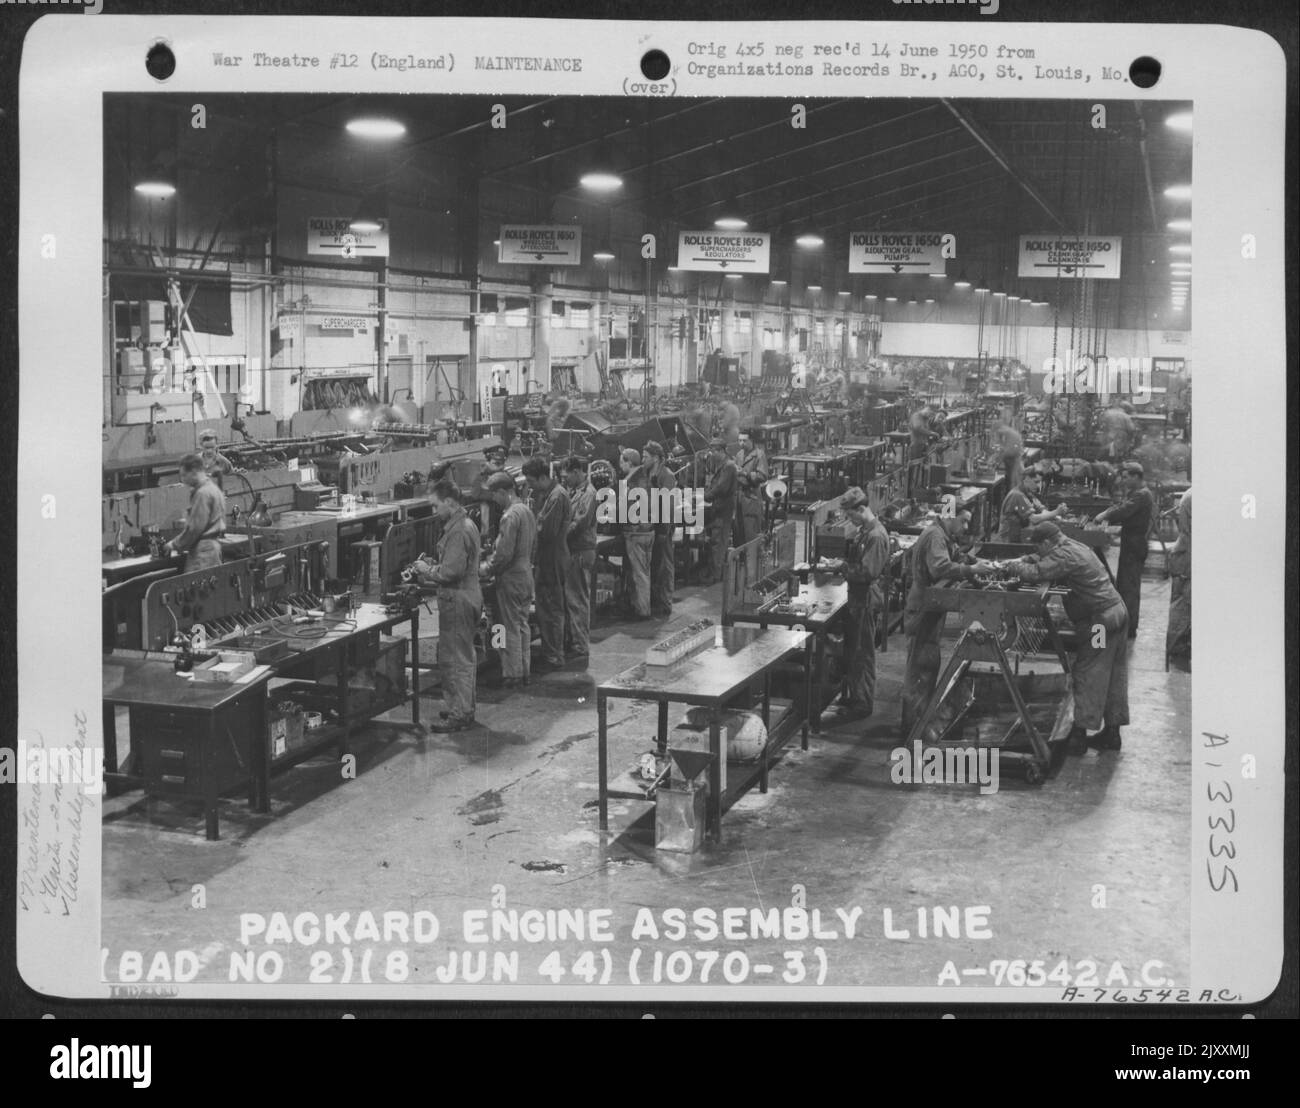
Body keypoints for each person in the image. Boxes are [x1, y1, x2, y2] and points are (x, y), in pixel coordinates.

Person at [1005, 521, 1130, 753]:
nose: (1039, 552)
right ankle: (1112, 734)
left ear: (1046, 542)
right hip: (1118, 613)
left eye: (1039, 548)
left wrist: (1011, 566)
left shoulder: (1064, 555)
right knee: (1112, 672)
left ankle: (1079, 736)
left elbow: (1037, 572)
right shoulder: (1075, 545)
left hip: (1101, 623)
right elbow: (1043, 560)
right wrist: (1031, 557)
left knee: (1088, 671)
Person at [901, 508, 995, 735]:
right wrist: (972, 569)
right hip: (923, 609)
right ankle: (913, 732)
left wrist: (976, 563)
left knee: (927, 666)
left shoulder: (943, 535)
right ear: (949, 516)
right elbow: (940, 567)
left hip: (931, 608)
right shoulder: (934, 536)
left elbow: (955, 557)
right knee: (921, 670)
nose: (965, 528)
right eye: (963, 522)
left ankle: (918, 726)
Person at [412, 480, 482, 732]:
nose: (433, 511)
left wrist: (426, 569)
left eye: (435, 506)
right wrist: (435, 563)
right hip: (464, 596)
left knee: (456, 658)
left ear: (450, 502)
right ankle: (460, 708)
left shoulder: (458, 530)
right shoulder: (463, 524)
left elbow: (452, 571)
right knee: (460, 655)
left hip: (458, 599)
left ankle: (460, 713)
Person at [837, 487, 891, 717]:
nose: (850, 520)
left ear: (861, 509)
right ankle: (855, 695)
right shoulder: (865, 531)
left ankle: (863, 705)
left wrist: (842, 568)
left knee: (863, 653)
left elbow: (868, 572)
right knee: (855, 650)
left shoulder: (876, 536)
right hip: (858, 598)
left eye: (851, 515)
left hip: (867, 599)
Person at [482, 471, 535, 687]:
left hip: (510, 578)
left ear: (504, 491)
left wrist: (485, 568)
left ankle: (511, 674)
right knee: (522, 624)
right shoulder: (526, 510)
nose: (494, 500)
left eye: (495, 495)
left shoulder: (509, 516)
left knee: (508, 626)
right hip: (525, 575)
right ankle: (524, 671)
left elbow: (503, 554)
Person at [1094, 461, 1155, 638]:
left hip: (1135, 545)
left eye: (1127, 477)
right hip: (1131, 541)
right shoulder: (1137, 493)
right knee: (1125, 584)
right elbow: (1123, 507)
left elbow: (1124, 510)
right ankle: (1126, 625)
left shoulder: (1142, 495)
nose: (1123, 480)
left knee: (1129, 587)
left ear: (1136, 476)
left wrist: (1104, 515)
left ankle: (1128, 629)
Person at [523, 455, 570, 669]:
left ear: (542, 477)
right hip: (548, 559)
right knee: (547, 607)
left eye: (531, 481)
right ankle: (552, 652)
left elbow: (546, 531)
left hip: (552, 559)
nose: (530, 486)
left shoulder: (556, 497)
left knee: (551, 609)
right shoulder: (549, 494)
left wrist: (528, 529)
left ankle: (553, 655)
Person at [163, 455, 227, 572]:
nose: (182, 480)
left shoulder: (202, 494)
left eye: (183, 475)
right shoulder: (214, 489)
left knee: (196, 588)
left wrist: (174, 544)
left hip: (202, 553)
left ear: (193, 472)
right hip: (213, 550)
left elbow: (195, 528)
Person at [563, 457, 597, 658]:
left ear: (577, 472)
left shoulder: (589, 493)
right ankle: (574, 640)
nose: (565, 479)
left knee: (578, 599)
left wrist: (558, 537)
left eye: (567, 475)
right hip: (574, 550)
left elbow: (579, 523)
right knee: (573, 598)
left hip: (581, 550)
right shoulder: (574, 491)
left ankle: (581, 645)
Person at [642, 440, 677, 618]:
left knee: (665, 566)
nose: (643, 460)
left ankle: (665, 603)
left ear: (655, 458)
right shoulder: (649, 473)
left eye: (645, 457)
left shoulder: (666, 475)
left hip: (663, 527)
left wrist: (664, 530)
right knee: (656, 566)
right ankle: (656, 601)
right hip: (653, 525)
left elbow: (668, 505)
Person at [619, 447, 654, 618]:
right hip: (648, 530)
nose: (620, 466)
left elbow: (624, 508)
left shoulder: (630, 481)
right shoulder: (645, 478)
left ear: (628, 462)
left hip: (635, 532)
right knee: (644, 572)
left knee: (639, 573)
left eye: (621, 462)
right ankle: (639, 606)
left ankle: (642, 611)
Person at [703, 437, 739, 584]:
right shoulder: (721, 465)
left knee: (719, 543)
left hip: (724, 509)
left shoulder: (729, 466)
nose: (711, 454)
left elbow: (721, 487)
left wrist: (705, 496)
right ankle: (714, 572)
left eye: (713, 451)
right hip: (718, 508)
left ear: (721, 451)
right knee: (715, 541)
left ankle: (716, 576)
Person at [995, 469, 1065, 544]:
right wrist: (1056, 512)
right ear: (1026, 479)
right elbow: (1034, 519)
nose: (1039, 486)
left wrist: (1056, 515)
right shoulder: (1017, 495)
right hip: (1009, 540)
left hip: (1019, 533)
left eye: (1040, 482)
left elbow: (1042, 510)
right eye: (1036, 482)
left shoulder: (1028, 493)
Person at [1166, 487, 1191, 663]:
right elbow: (1189, 535)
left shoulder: (1191, 494)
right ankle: (1178, 652)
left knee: (1182, 605)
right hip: (1187, 560)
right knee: (1183, 606)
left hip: (1185, 556)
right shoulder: (1196, 497)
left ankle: (1177, 650)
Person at [735, 472, 765, 546]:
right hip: (738, 497)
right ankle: (740, 554)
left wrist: (748, 475)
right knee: (738, 530)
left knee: (751, 532)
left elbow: (763, 476)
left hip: (751, 498)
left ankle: (752, 554)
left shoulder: (758, 459)